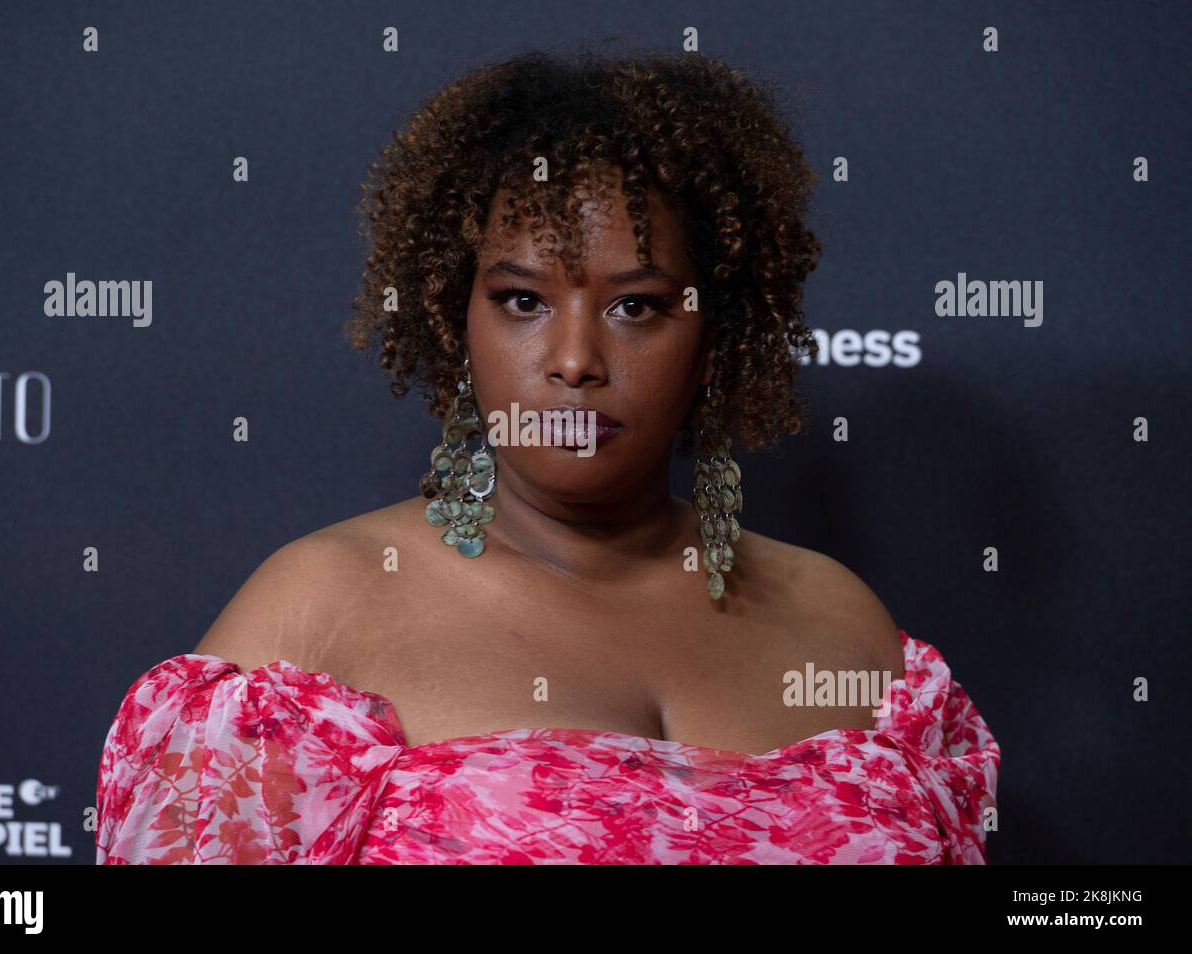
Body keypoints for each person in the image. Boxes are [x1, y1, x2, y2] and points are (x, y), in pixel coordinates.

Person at [95, 49, 999, 864]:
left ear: (716, 336)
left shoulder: (843, 625)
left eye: (636, 306)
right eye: (523, 300)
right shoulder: (322, 613)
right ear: (458, 324)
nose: (574, 360)